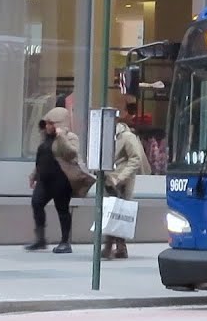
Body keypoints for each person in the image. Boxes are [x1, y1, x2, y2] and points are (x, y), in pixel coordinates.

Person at [26, 107, 91, 253]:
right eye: (46, 123)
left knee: (62, 209)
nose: (48, 127)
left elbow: (71, 153)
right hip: (45, 179)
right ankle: (40, 239)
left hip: (61, 180)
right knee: (36, 203)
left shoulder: (70, 137)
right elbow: (42, 158)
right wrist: (34, 175)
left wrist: (61, 137)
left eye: (51, 123)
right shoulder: (45, 138)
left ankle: (65, 241)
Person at [104, 121, 150, 259]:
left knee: (116, 212)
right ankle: (120, 247)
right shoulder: (108, 137)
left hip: (121, 181)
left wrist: (121, 177)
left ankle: (110, 247)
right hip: (109, 179)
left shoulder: (127, 136)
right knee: (114, 212)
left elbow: (135, 159)